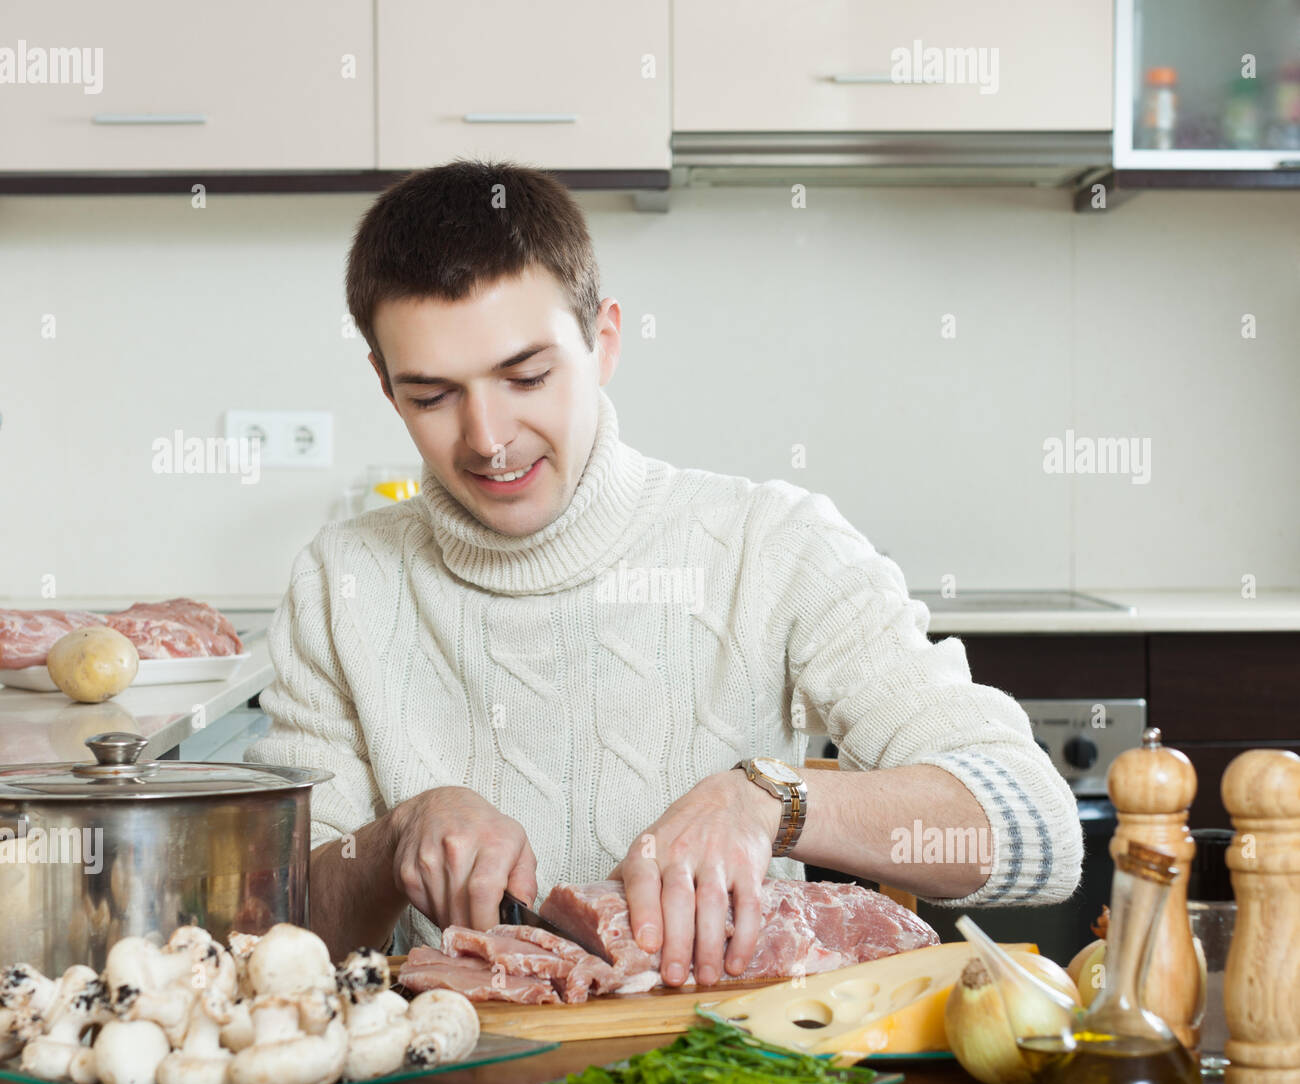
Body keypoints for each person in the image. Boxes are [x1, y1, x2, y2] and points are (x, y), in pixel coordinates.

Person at [246, 160, 1082, 985]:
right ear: (386, 388)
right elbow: (279, 932)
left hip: (731, 1079)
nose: (488, 437)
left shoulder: (772, 544)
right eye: (432, 396)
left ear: (604, 342)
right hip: (450, 1083)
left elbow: (1039, 832)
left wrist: (770, 802)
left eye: (527, 376)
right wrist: (393, 839)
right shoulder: (341, 581)